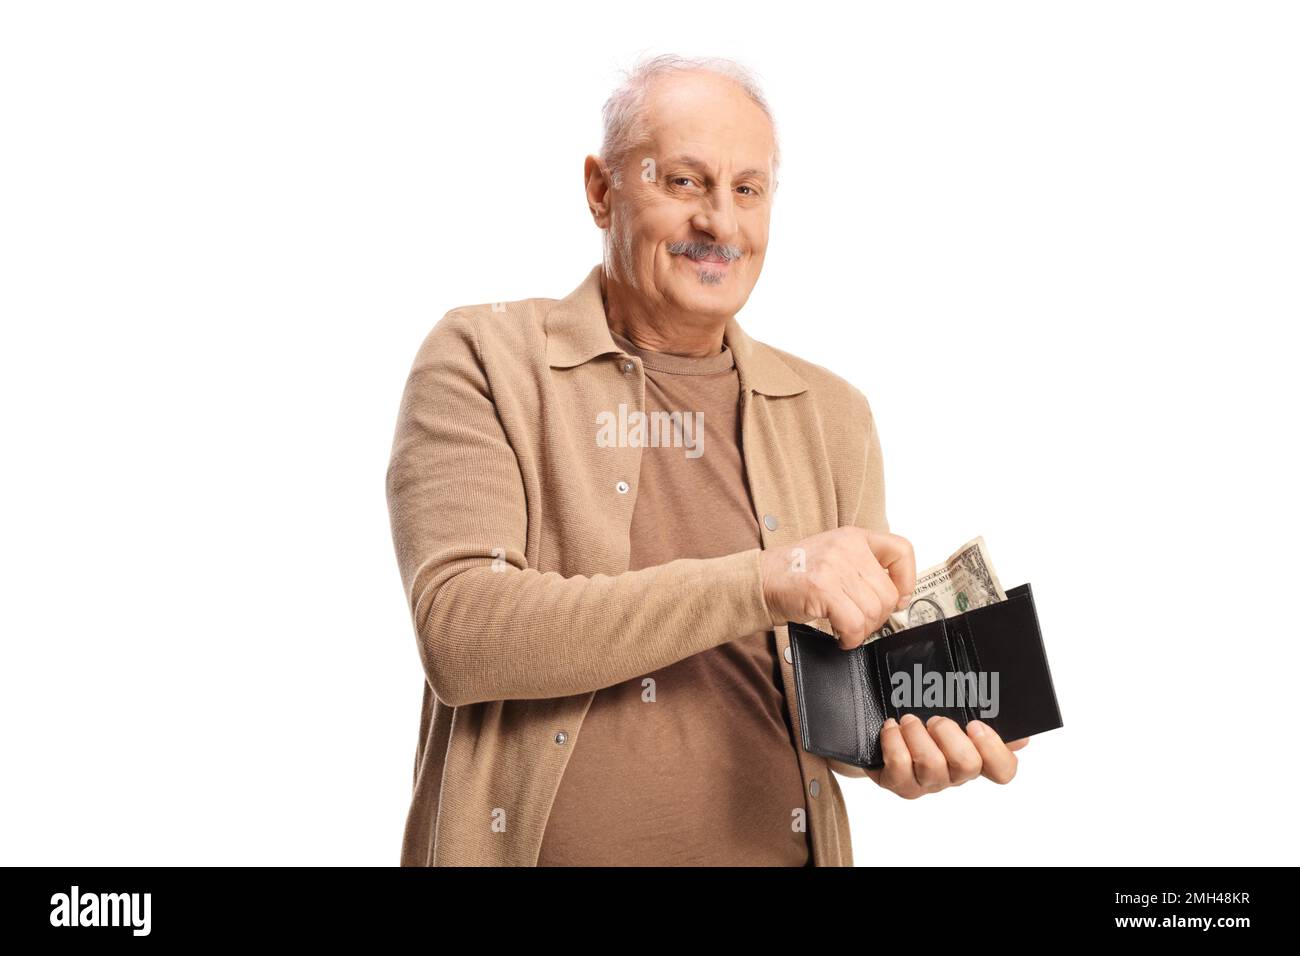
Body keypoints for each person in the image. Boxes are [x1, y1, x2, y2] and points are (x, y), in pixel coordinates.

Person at [385, 53, 1026, 867]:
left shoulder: (832, 415)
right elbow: (464, 635)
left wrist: (912, 746)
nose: (722, 225)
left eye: (749, 190)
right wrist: (765, 578)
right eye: (685, 182)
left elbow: (843, 700)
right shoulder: (484, 357)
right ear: (600, 189)